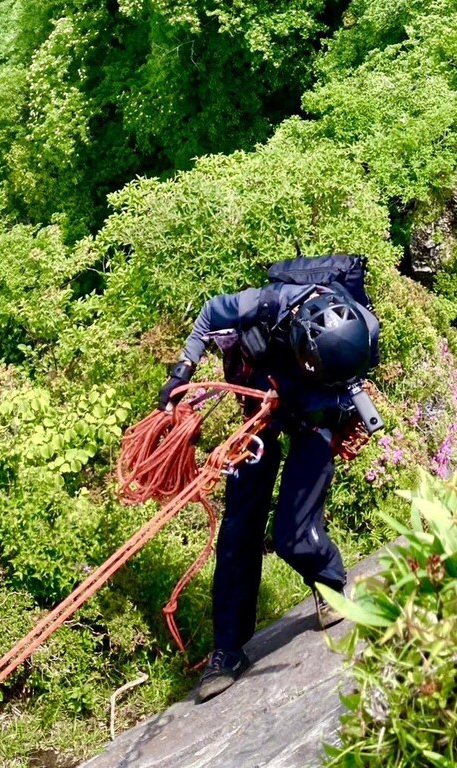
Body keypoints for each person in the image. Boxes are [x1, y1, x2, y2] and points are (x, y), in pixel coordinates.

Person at [159, 263, 380, 702]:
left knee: (293, 535)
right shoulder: (265, 303)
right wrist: (181, 375)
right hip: (263, 404)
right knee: (239, 523)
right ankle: (227, 649)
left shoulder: (363, 334)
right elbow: (208, 315)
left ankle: (328, 581)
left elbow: (350, 394)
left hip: (318, 413)